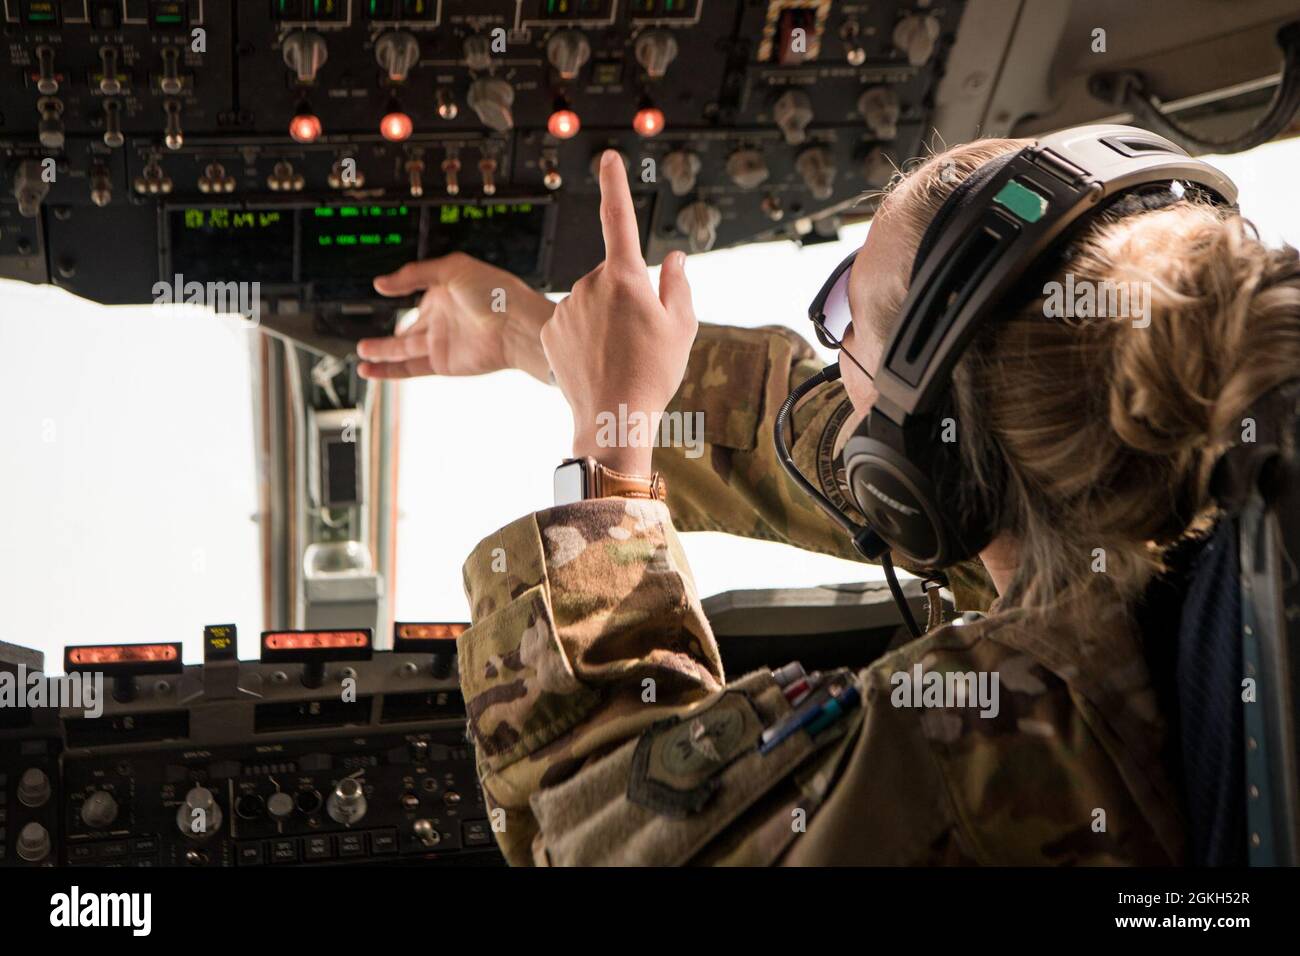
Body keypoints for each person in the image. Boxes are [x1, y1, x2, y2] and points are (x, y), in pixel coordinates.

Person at [356, 139, 1300, 865]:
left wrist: (610, 444)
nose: (832, 345)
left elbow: (607, 829)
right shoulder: (1162, 499)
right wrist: (526, 328)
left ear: (926, 477)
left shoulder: (1017, 728)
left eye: (848, 315)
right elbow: (802, 432)